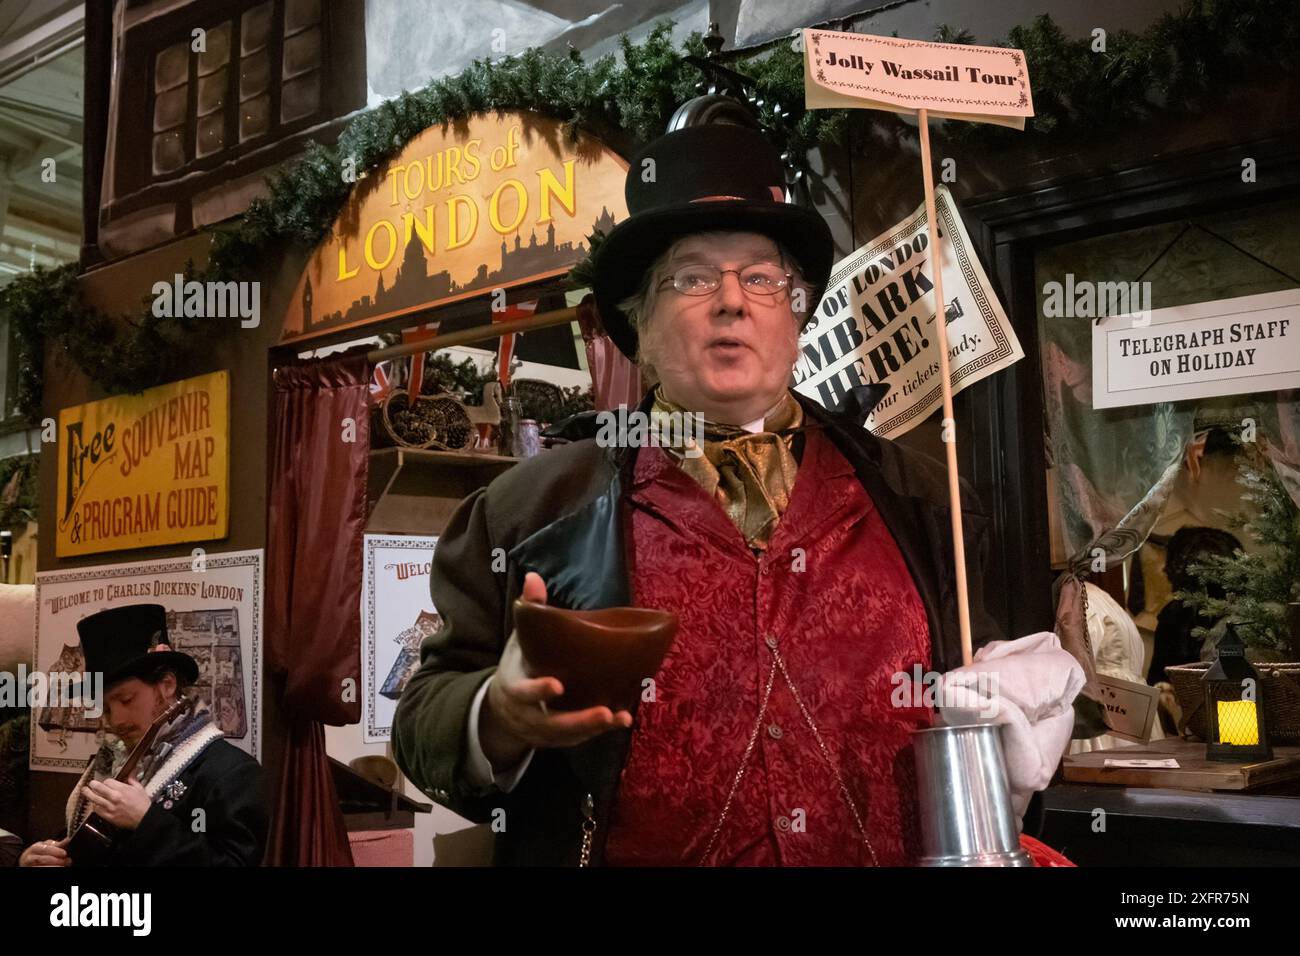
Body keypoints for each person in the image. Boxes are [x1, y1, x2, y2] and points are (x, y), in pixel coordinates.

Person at [394, 123, 1076, 866]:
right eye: (690, 278)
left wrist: (1017, 710)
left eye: (761, 279)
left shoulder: (925, 499)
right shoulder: (527, 512)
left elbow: (995, 698)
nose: (730, 302)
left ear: (796, 315)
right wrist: (495, 714)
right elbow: (424, 720)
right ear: (639, 326)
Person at [19, 604, 266, 867]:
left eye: (126, 699)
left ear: (167, 685)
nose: (115, 720)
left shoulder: (232, 772)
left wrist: (146, 820)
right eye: (105, 707)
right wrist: (43, 857)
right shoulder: (110, 761)